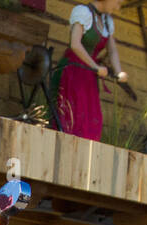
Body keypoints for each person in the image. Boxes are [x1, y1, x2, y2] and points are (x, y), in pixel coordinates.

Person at [50, 1, 128, 142]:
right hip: (72, 71)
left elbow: (112, 50)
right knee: (71, 117)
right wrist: (95, 67)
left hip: (88, 76)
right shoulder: (83, 13)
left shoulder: (107, 21)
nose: (117, 8)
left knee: (90, 119)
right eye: (117, 2)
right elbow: (75, 44)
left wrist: (118, 71)